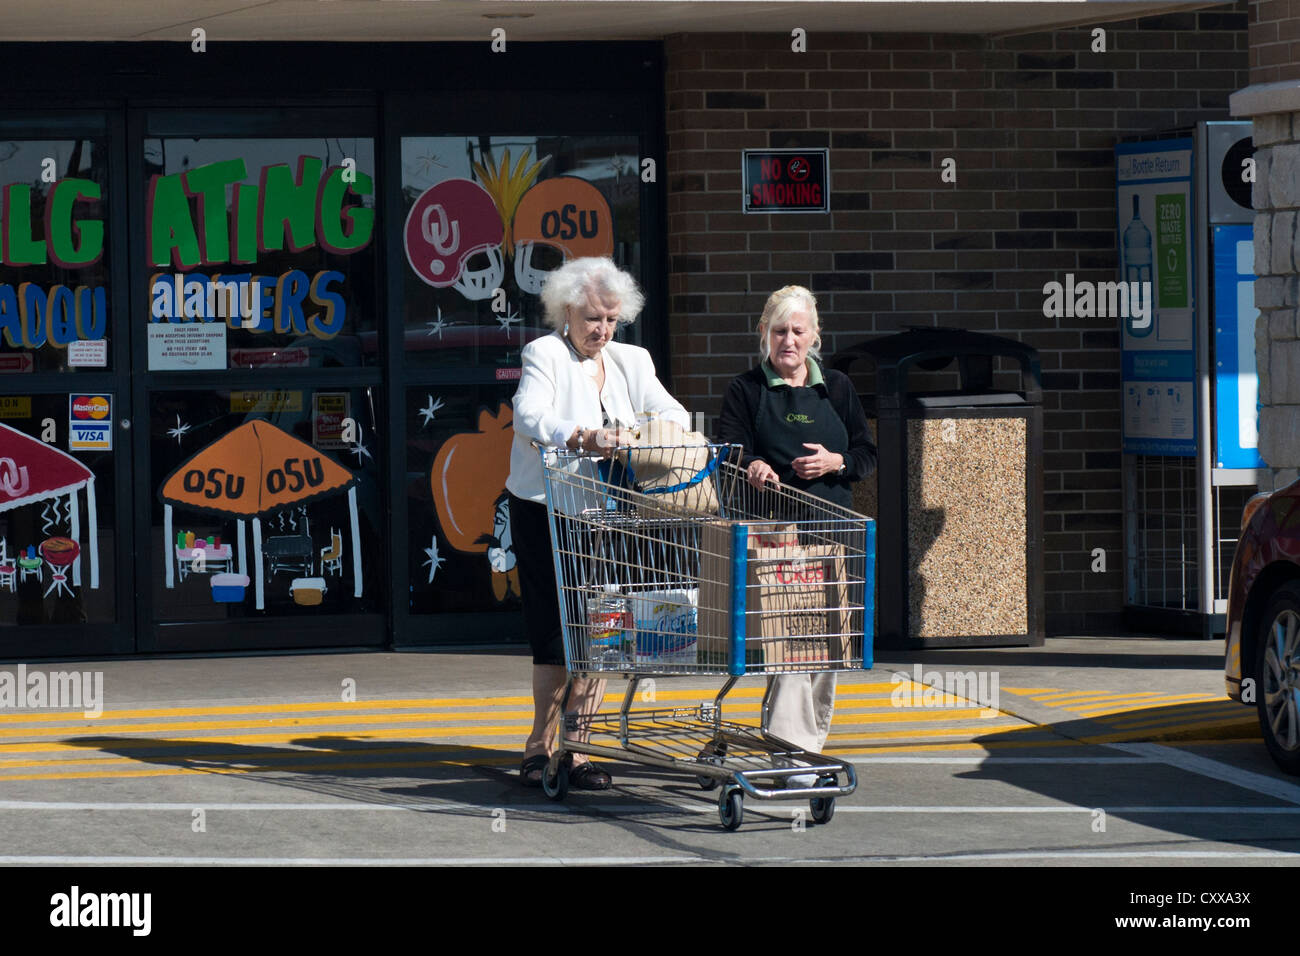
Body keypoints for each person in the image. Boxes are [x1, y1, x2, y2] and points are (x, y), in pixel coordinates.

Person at [506, 256, 690, 789]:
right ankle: (539, 748)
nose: (602, 330)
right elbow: (528, 415)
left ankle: (579, 749)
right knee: (554, 634)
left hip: (608, 513)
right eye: (592, 318)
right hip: (546, 508)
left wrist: (648, 435)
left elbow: (672, 413)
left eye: (611, 318)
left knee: (603, 626)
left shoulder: (633, 359)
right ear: (567, 310)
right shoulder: (544, 353)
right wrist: (580, 435)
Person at [717, 285, 875, 781]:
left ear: (814, 337)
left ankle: (806, 749)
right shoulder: (746, 390)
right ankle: (792, 757)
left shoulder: (840, 389)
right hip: (775, 536)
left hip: (835, 532)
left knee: (829, 650)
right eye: (779, 330)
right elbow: (728, 450)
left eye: (798, 331)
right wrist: (755, 463)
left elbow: (867, 454)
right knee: (790, 647)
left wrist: (837, 461)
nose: (788, 340)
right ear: (763, 334)